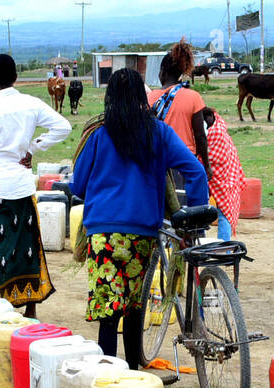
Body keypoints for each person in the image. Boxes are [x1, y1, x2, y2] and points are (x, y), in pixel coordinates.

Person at [70, 68, 208, 369]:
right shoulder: (159, 132)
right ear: (142, 97)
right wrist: (194, 215)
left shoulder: (98, 135)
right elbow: (195, 172)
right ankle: (132, 373)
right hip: (142, 235)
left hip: (103, 235)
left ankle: (106, 378)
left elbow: (77, 187)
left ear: (109, 98)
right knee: (134, 308)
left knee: (108, 312)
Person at [0, 53, 71, 317]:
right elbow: (64, 127)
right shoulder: (31, 103)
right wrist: (33, 148)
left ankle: (0, 306)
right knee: (27, 247)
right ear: (15, 77)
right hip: (23, 187)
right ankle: (30, 309)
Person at [147, 43, 210, 189]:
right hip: (184, 161)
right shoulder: (193, 97)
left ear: (162, 71)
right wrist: (206, 166)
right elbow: (200, 136)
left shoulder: (150, 98)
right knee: (183, 207)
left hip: (157, 162)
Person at [200, 106, 243, 241]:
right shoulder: (220, 127)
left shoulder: (216, 132)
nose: (206, 122)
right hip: (226, 176)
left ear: (212, 116)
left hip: (220, 176)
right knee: (223, 211)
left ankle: (223, 246)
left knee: (220, 212)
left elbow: (209, 156)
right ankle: (225, 248)